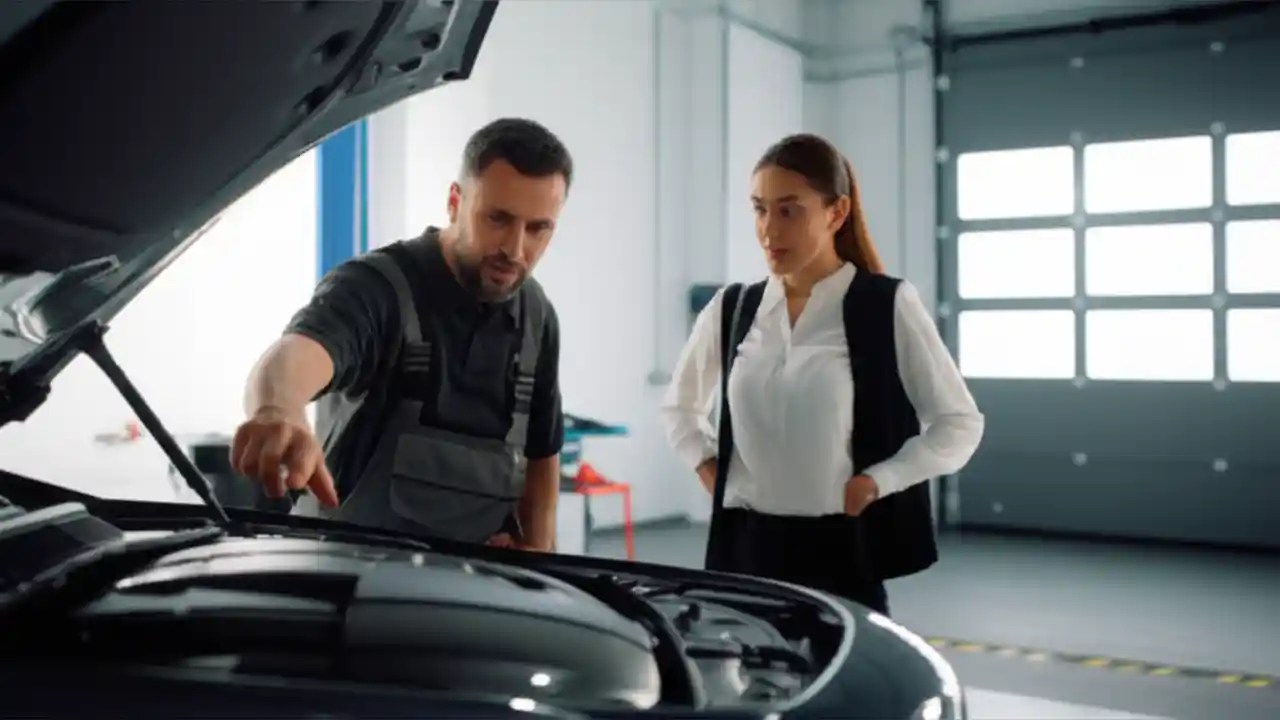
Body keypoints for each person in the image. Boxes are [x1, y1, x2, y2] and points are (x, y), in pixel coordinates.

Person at [660, 133, 984, 615]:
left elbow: (960, 424)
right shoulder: (731, 309)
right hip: (748, 552)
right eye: (759, 209)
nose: (769, 230)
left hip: (843, 556)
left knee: (845, 688)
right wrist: (707, 464)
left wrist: (882, 479)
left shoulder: (886, 305)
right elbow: (680, 409)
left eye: (789, 210)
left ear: (836, 213)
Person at [231, 117, 571, 551]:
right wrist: (277, 408)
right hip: (351, 582)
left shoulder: (537, 317)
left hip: (475, 591)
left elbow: (543, 453)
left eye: (538, 228)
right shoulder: (376, 288)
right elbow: (300, 352)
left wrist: (537, 559)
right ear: (454, 201)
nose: (516, 248)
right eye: (498, 218)